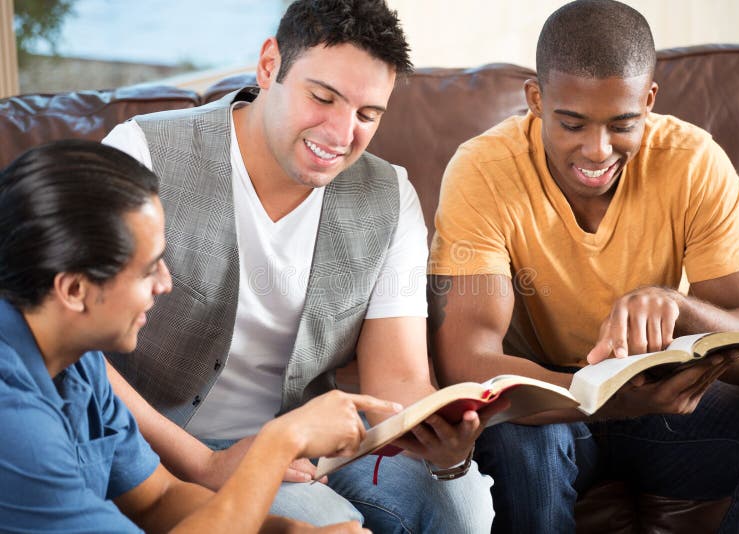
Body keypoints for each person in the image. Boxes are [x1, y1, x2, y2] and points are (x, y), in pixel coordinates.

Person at [102, 0, 496, 531]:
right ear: (270, 66)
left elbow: (398, 379)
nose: (341, 133)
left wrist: (448, 441)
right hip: (165, 445)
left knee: (464, 502)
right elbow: (76, 352)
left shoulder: (388, 196)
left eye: (367, 115)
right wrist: (206, 464)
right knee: (329, 521)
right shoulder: (143, 152)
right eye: (323, 98)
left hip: (317, 442)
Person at [428, 0, 739, 532]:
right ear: (536, 100)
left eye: (622, 124)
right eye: (571, 124)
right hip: (549, 411)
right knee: (520, 443)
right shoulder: (484, 170)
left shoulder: (692, 162)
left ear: (648, 101)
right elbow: (465, 366)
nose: (597, 151)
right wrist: (606, 400)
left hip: (662, 410)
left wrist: (679, 307)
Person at [0, 139, 406, 532]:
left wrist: (294, 533)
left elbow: (159, 499)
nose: (166, 283)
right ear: (74, 290)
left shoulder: (77, 358)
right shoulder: (13, 421)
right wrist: (282, 440)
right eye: (148, 269)